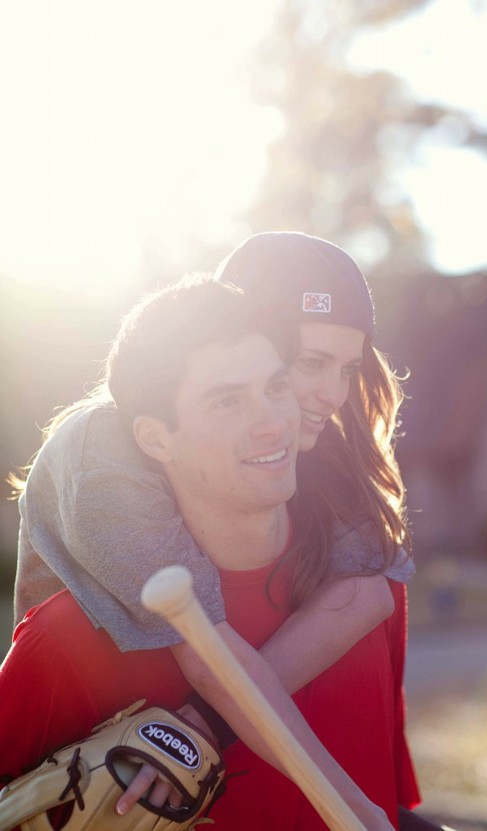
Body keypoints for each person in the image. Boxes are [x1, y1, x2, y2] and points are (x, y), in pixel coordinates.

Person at [2, 275, 397, 830]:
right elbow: (207, 657)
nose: (272, 423)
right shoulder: (68, 637)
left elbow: (387, 788)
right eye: (228, 401)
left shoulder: (356, 595)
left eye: (278, 386)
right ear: (155, 439)